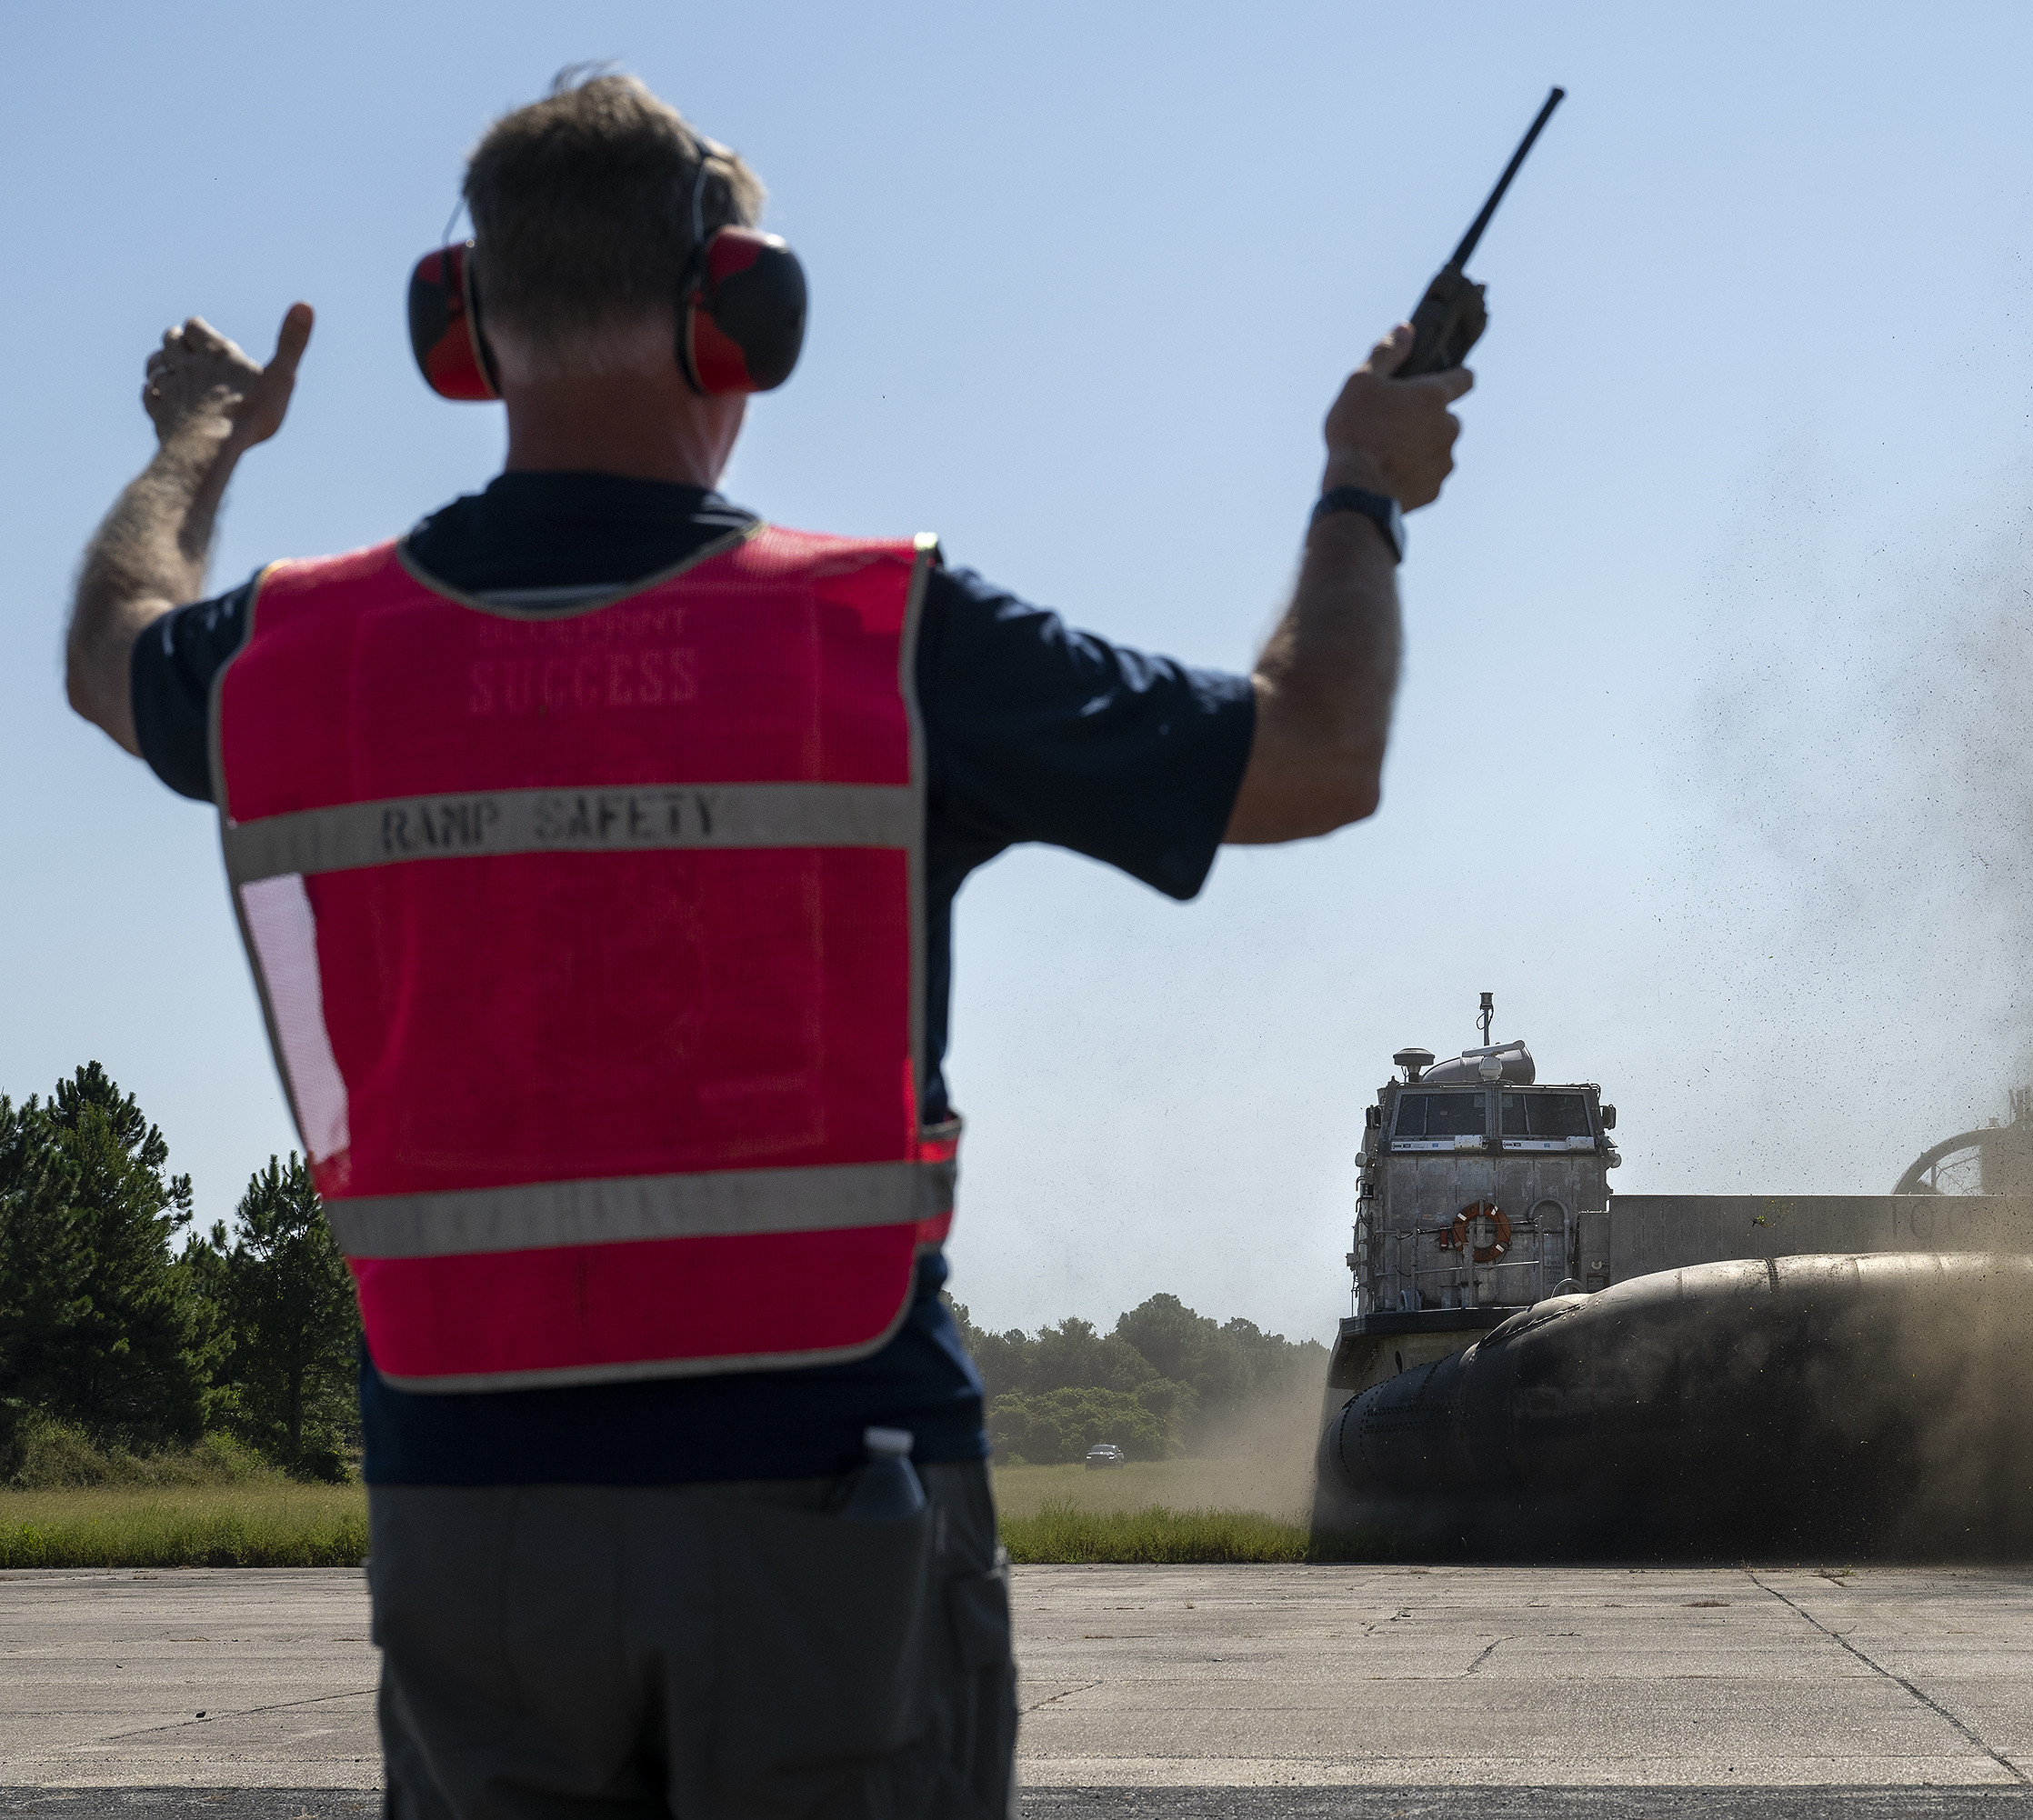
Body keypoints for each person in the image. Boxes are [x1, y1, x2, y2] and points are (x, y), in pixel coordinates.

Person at [62, 71, 1468, 1819]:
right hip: (833, 1522)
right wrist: (1362, 486)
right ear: (737, 316)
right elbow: (1318, 749)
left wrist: (200, 437)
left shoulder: (293, 657)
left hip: (468, 1527)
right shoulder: (877, 636)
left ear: (465, 330)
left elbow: (110, 637)